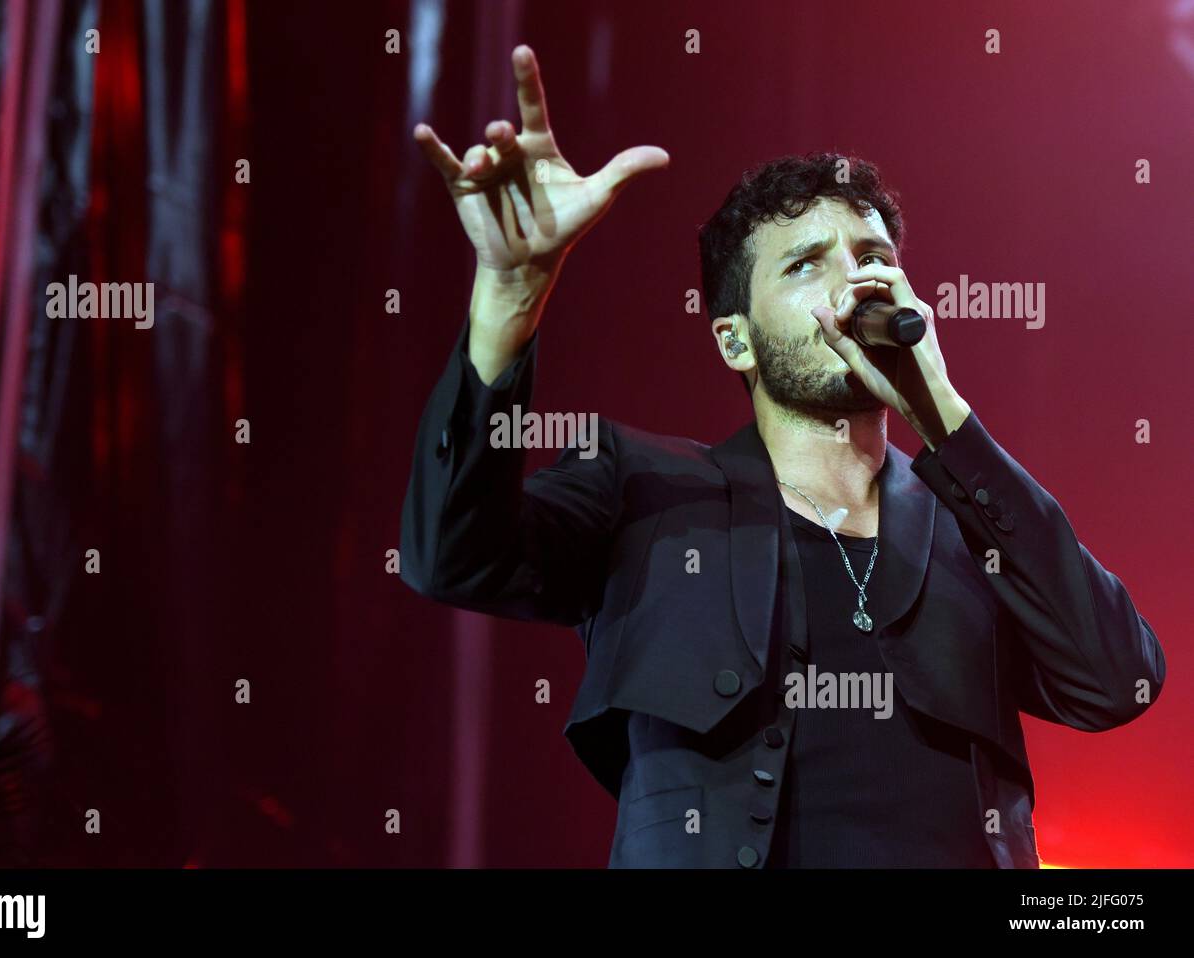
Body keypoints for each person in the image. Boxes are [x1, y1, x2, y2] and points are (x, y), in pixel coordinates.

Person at [400, 45, 1166, 868]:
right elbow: (451, 557)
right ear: (735, 340)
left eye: (873, 258)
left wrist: (946, 419)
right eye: (807, 265)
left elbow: (1116, 680)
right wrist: (509, 302)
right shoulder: (643, 488)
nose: (856, 283)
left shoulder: (974, 528)